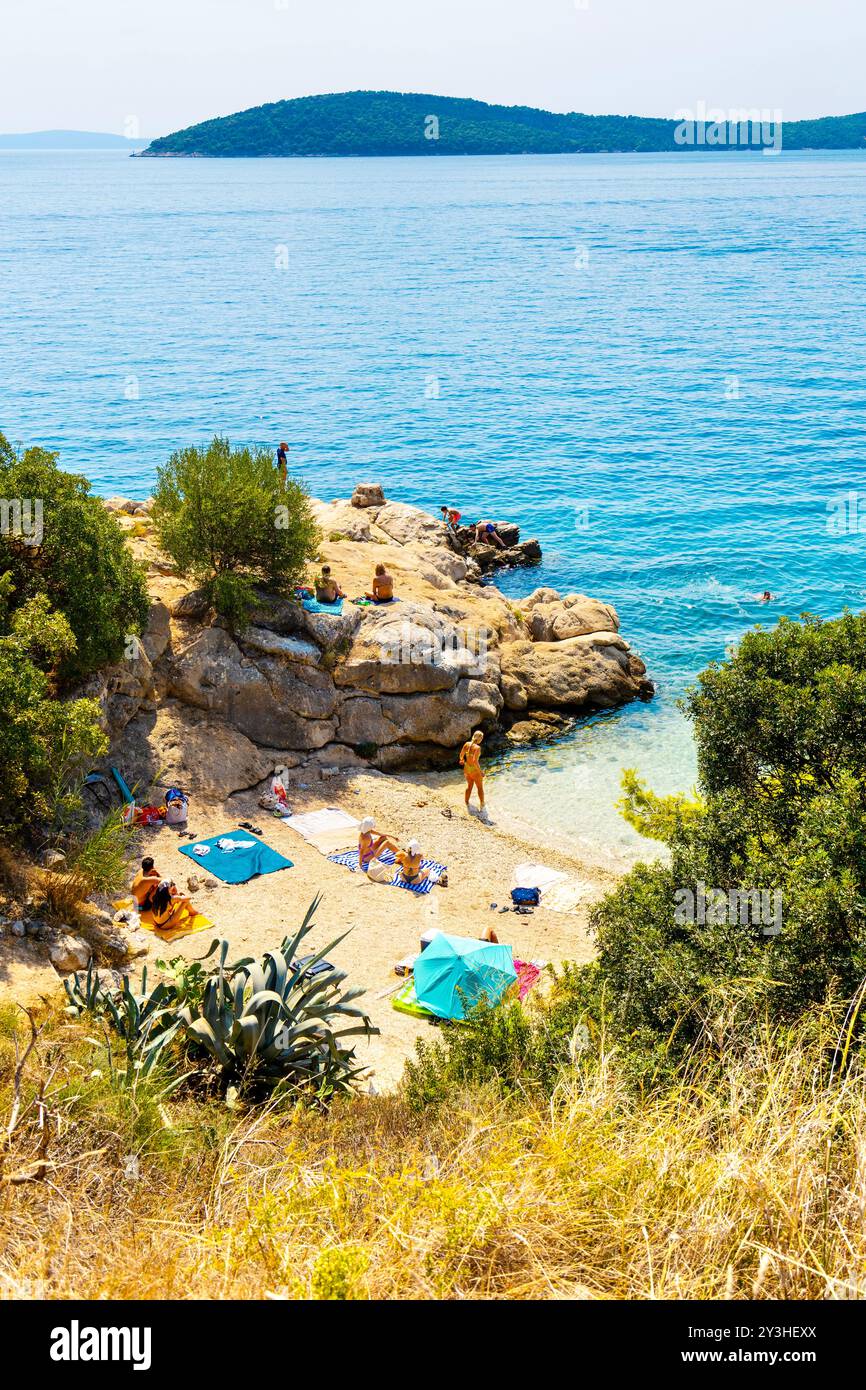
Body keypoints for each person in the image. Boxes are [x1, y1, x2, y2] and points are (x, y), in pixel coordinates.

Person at [460, 729, 486, 813]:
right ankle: (482, 805)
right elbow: (475, 761)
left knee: (469, 786)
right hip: (474, 770)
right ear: (480, 739)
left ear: (473, 736)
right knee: (480, 788)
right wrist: (480, 772)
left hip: (466, 769)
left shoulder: (467, 744)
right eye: (482, 738)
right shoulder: (477, 748)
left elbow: (461, 755)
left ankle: (467, 802)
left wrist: (461, 760)